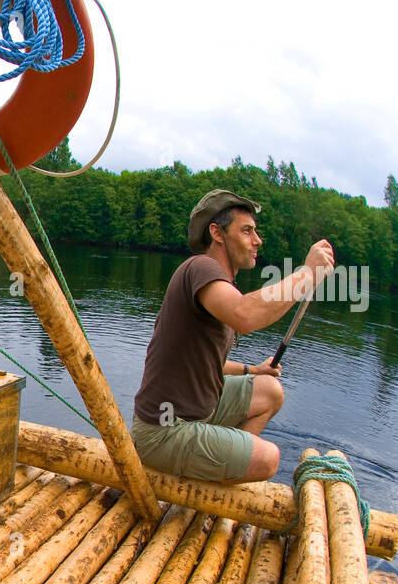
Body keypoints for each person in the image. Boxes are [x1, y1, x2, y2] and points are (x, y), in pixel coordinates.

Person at [130, 189, 334, 483]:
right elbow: (245, 314)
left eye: (255, 231)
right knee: (268, 459)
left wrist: (253, 370)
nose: (257, 240)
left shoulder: (219, 283)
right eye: (247, 231)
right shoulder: (200, 267)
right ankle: (221, 475)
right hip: (163, 427)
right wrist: (307, 274)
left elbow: (210, 363)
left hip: (198, 412)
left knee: (270, 391)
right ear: (217, 232)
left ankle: (222, 465)